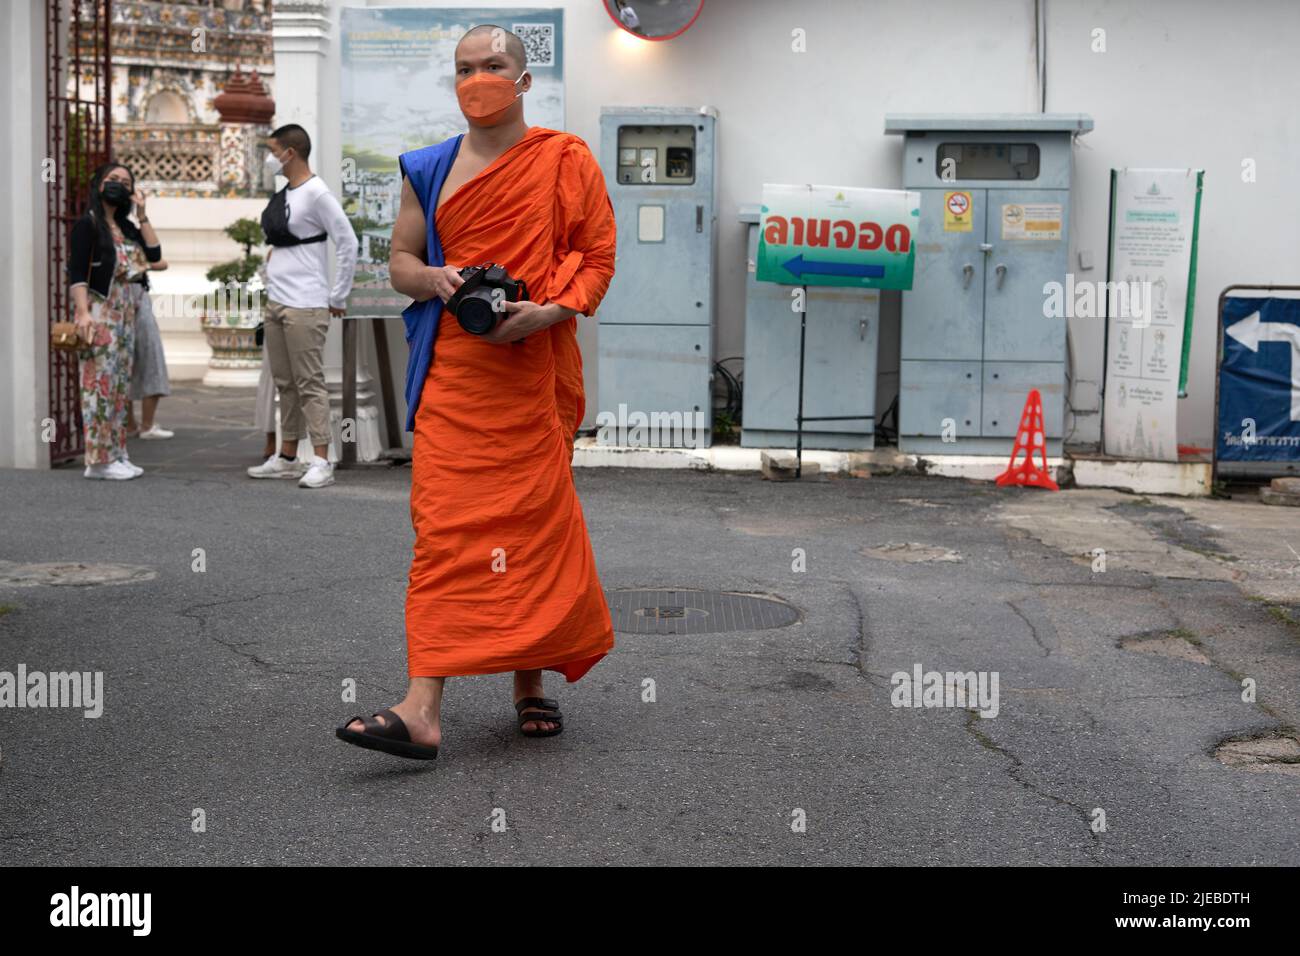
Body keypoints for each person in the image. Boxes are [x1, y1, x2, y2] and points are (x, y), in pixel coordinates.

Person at [336, 24, 617, 760]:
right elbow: (400, 259)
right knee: (447, 536)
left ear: (524, 80)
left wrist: (551, 309)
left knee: (528, 529)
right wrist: (434, 279)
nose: (478, 78)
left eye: (493, 65)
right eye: (465, 68)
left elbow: (596, 254)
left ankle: (529, 684)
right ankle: (422, 707)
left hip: (531, 375)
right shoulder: (428, 168)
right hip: (456, 381)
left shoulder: (565, 159)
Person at [246, 123, 356, 488]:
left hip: (306, 303)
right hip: (278, 300)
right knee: (285, 383)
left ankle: (322, 460)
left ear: (289, 153)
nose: (269, 158)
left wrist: (337, 295)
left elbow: (347, 242)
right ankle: (288, 456)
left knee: (309, 381)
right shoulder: (287, 194)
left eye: (273, 150)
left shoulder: (316, 192)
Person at [68, 163, 168, 480]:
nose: (119, 186)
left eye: (126, 182)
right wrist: (83, 313)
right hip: (99, 311)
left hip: (126, 313)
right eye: (113, 179)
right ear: (99, 184)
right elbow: (76, 272)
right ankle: (98, 461)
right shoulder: (89, 225)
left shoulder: (125, 228)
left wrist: (142, 212)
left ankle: (117, 453)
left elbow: (153, 255)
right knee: (98, 386)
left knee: (119, 387)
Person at [126, 271, 174, 440]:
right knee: (151, 359)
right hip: (132, 295)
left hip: (122, 295)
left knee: (124, 363)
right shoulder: (133, 248)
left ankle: (131, 424)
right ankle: (146, 424)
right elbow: (158, 261)